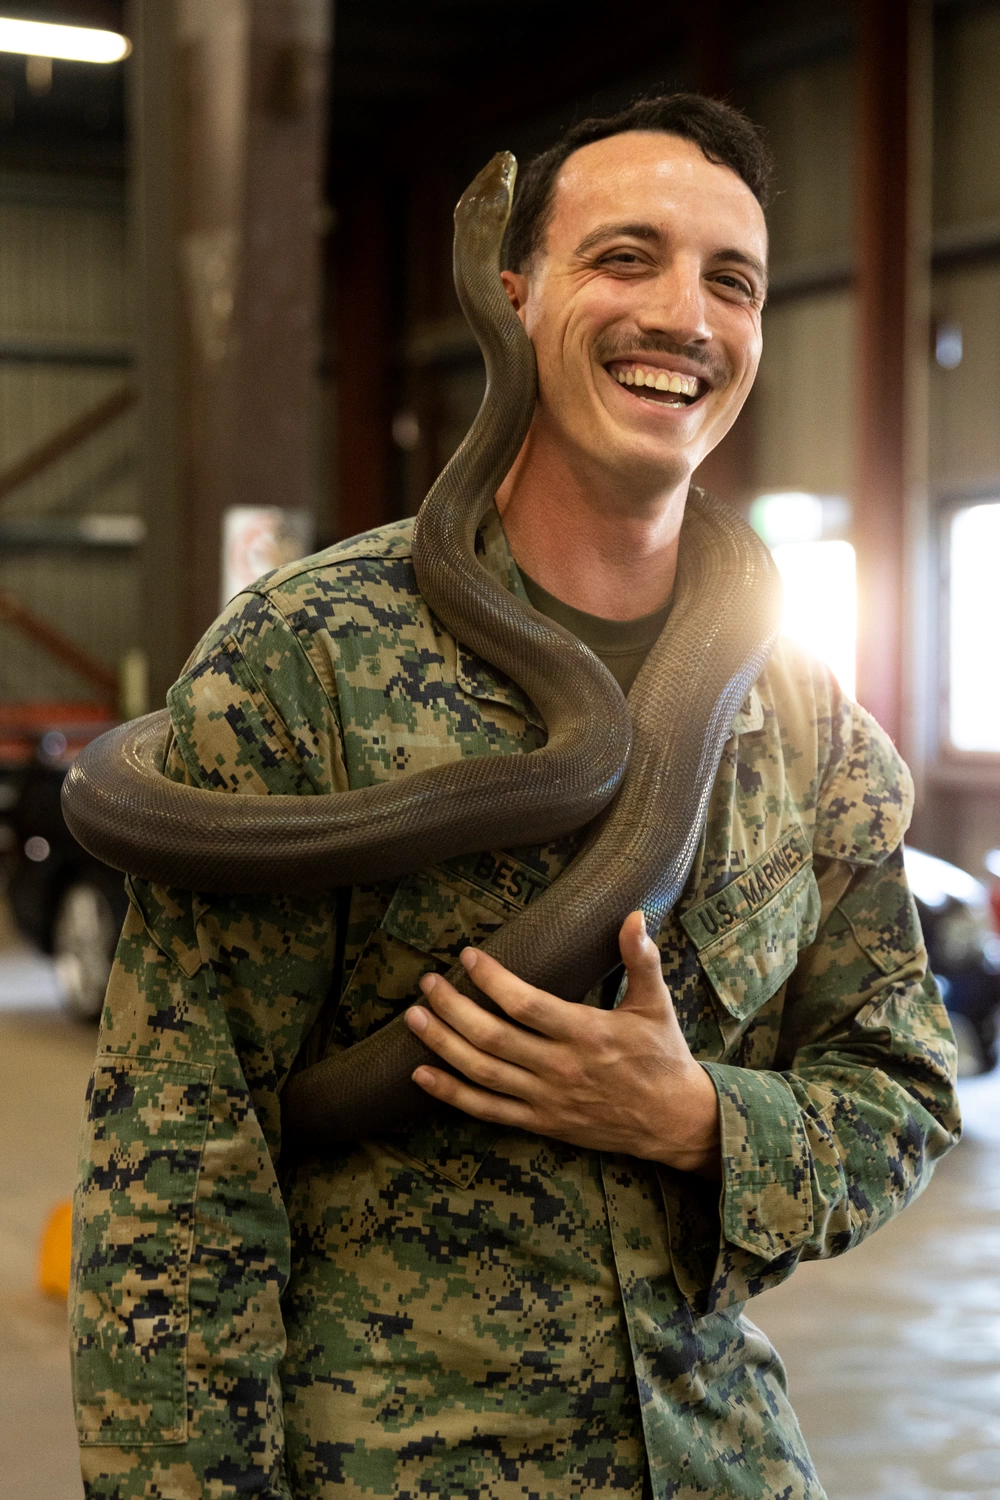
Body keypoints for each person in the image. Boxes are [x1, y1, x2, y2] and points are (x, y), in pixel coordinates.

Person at [70, 94, 959, 1500]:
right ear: (515, 291)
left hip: (713, 1452)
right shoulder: (306, 662)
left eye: (732, 279)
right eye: (627, 257)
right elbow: (181, 1181)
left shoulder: (804, 717)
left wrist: (699, 1119)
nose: (686, 314)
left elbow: (906, 1088)